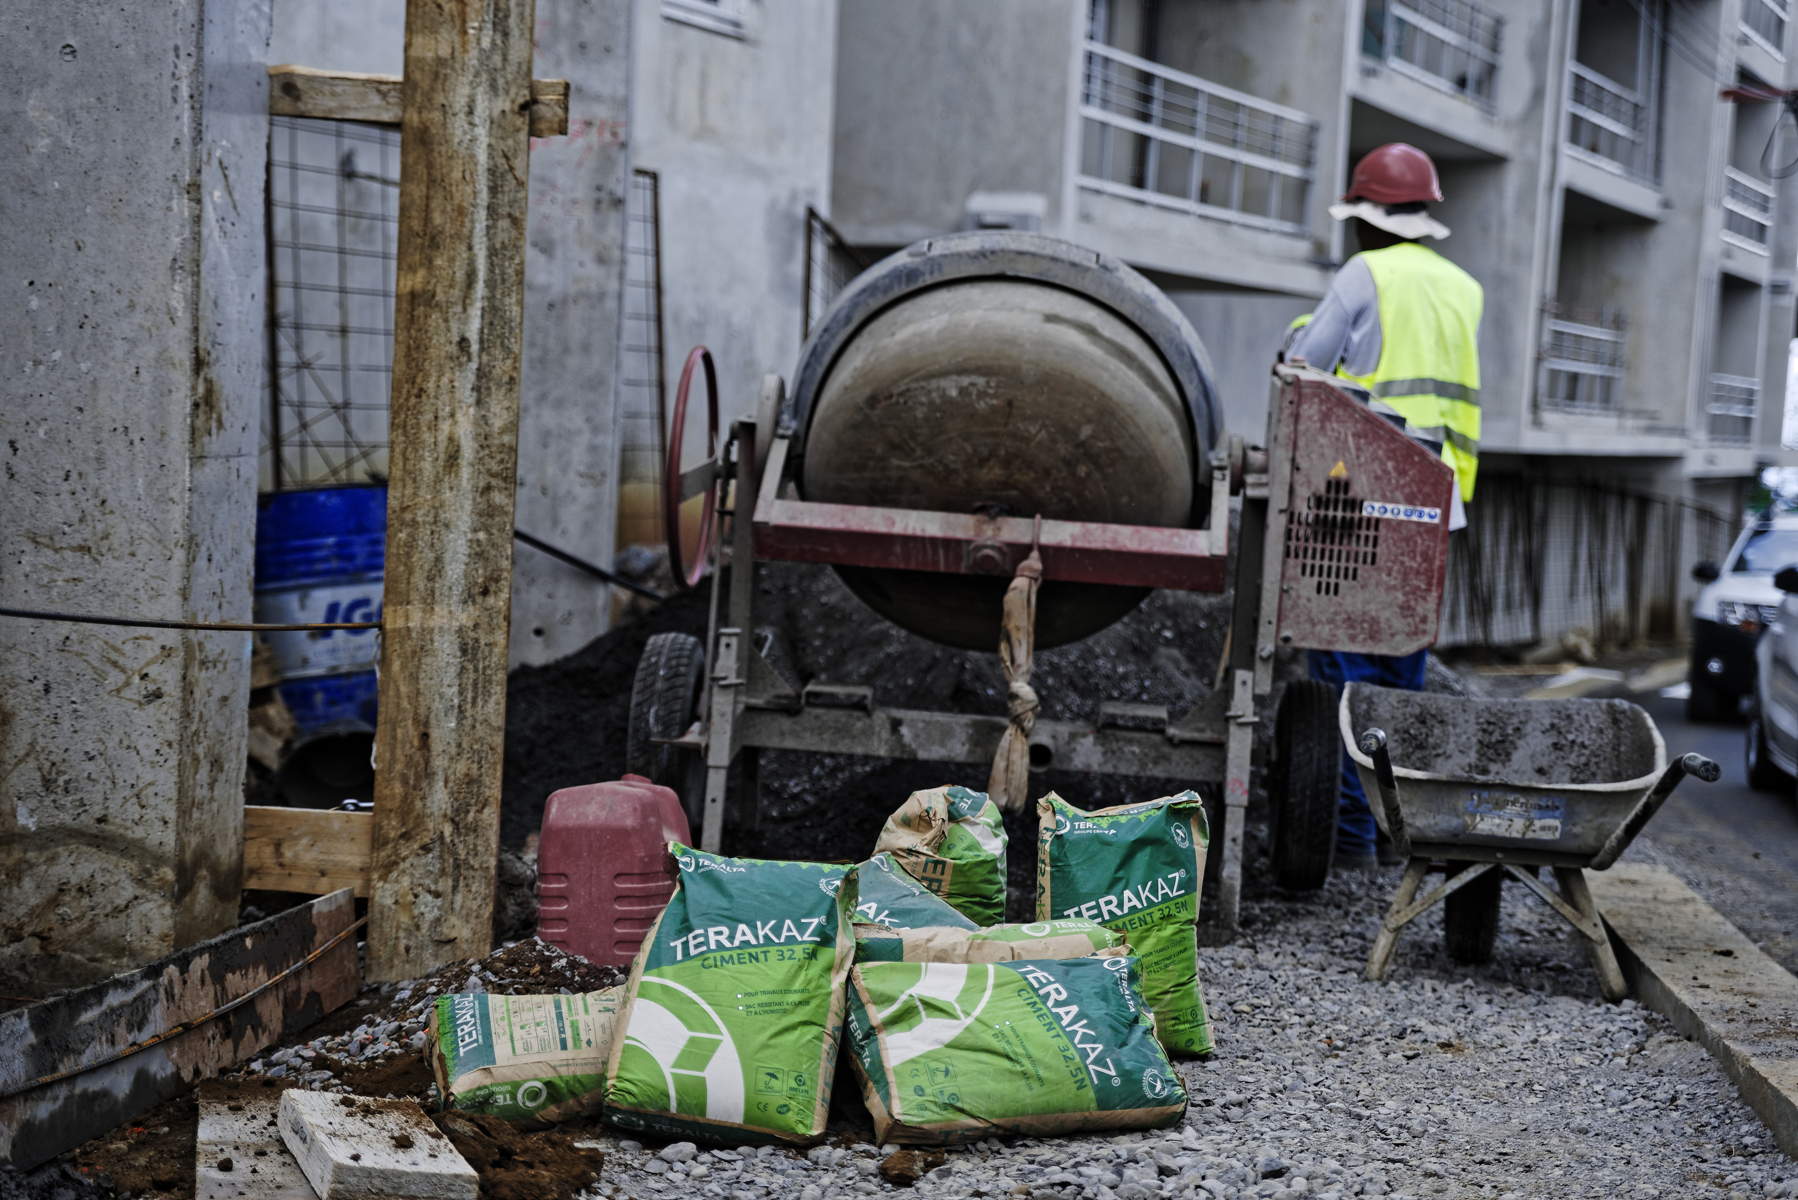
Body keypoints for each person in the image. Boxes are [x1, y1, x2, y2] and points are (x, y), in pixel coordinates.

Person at [1284, 141, 1483, 871]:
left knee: (1341, 670)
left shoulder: (1364, 272)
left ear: (1370, 218)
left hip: (1362, 496)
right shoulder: (1465, 287)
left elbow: (1307, 369)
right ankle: (1403, 832)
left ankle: (1349, 840)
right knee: (1404, 672)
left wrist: (1305, 333)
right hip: (1436, 502)